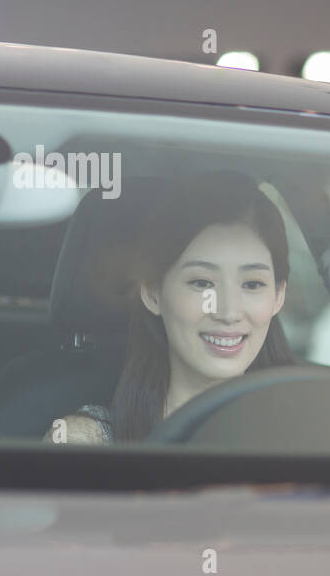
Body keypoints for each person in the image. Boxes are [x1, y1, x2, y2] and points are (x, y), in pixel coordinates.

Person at [46, 172, 297, 444]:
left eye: (252, 284)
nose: (228, 312)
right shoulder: (84, 442)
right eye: (201, 282)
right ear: (153, 292)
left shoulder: (314, 435)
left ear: (279, 295)